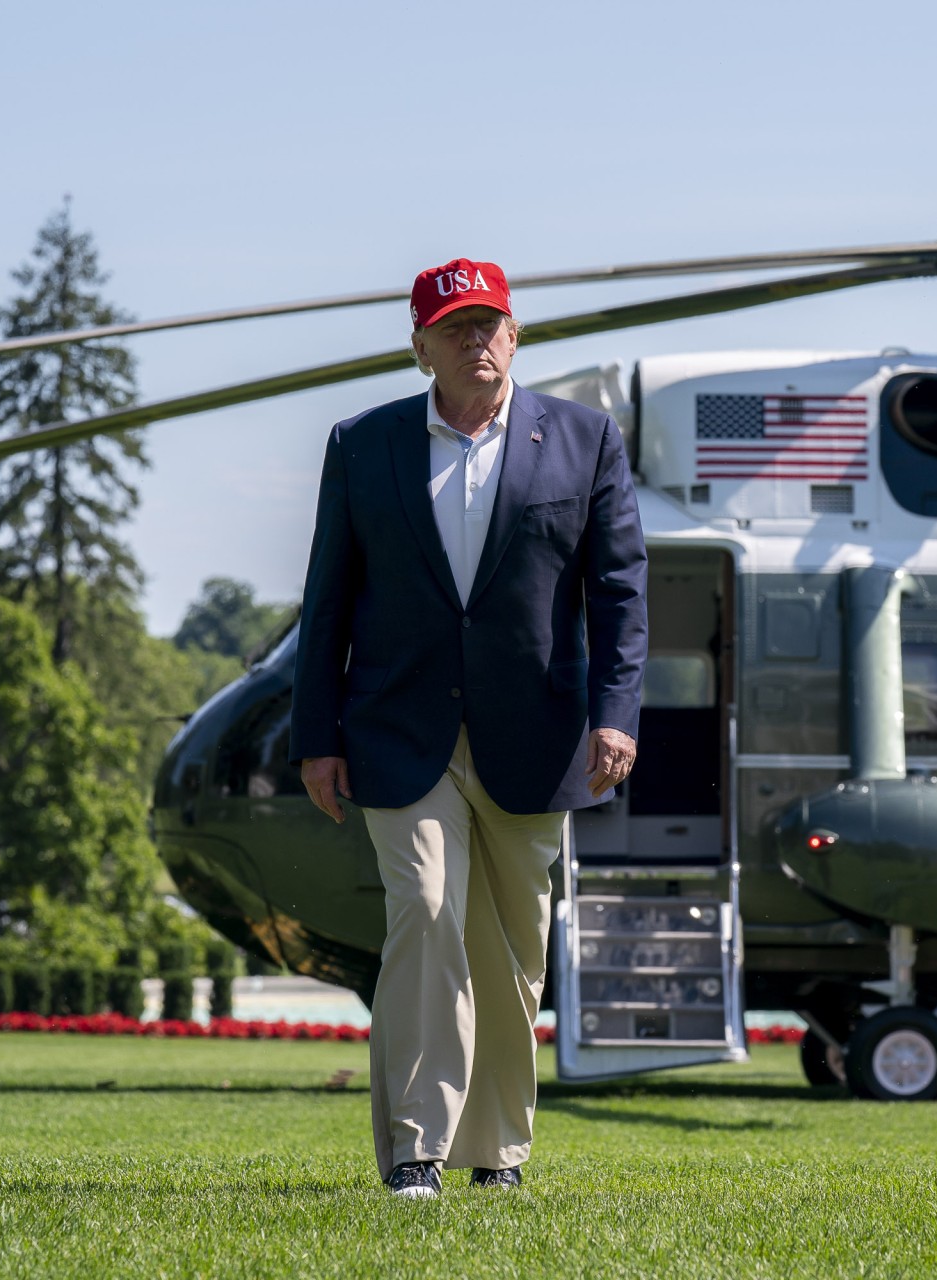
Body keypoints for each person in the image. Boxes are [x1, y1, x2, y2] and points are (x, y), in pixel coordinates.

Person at [289, 258, 647, 1199]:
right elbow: (327, 600)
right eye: (454, 328)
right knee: (424, 911)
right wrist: (316, 736)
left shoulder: (586, 440)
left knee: (512, 952)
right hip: (397, 731)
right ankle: (417, 1148)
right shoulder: (362, 444)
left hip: (537, 735)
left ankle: (498, 1155)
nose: (475, 340)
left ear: (515, 336)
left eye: (489, 324)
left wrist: (616, 716)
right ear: (421, 348)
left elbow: (619, 593)